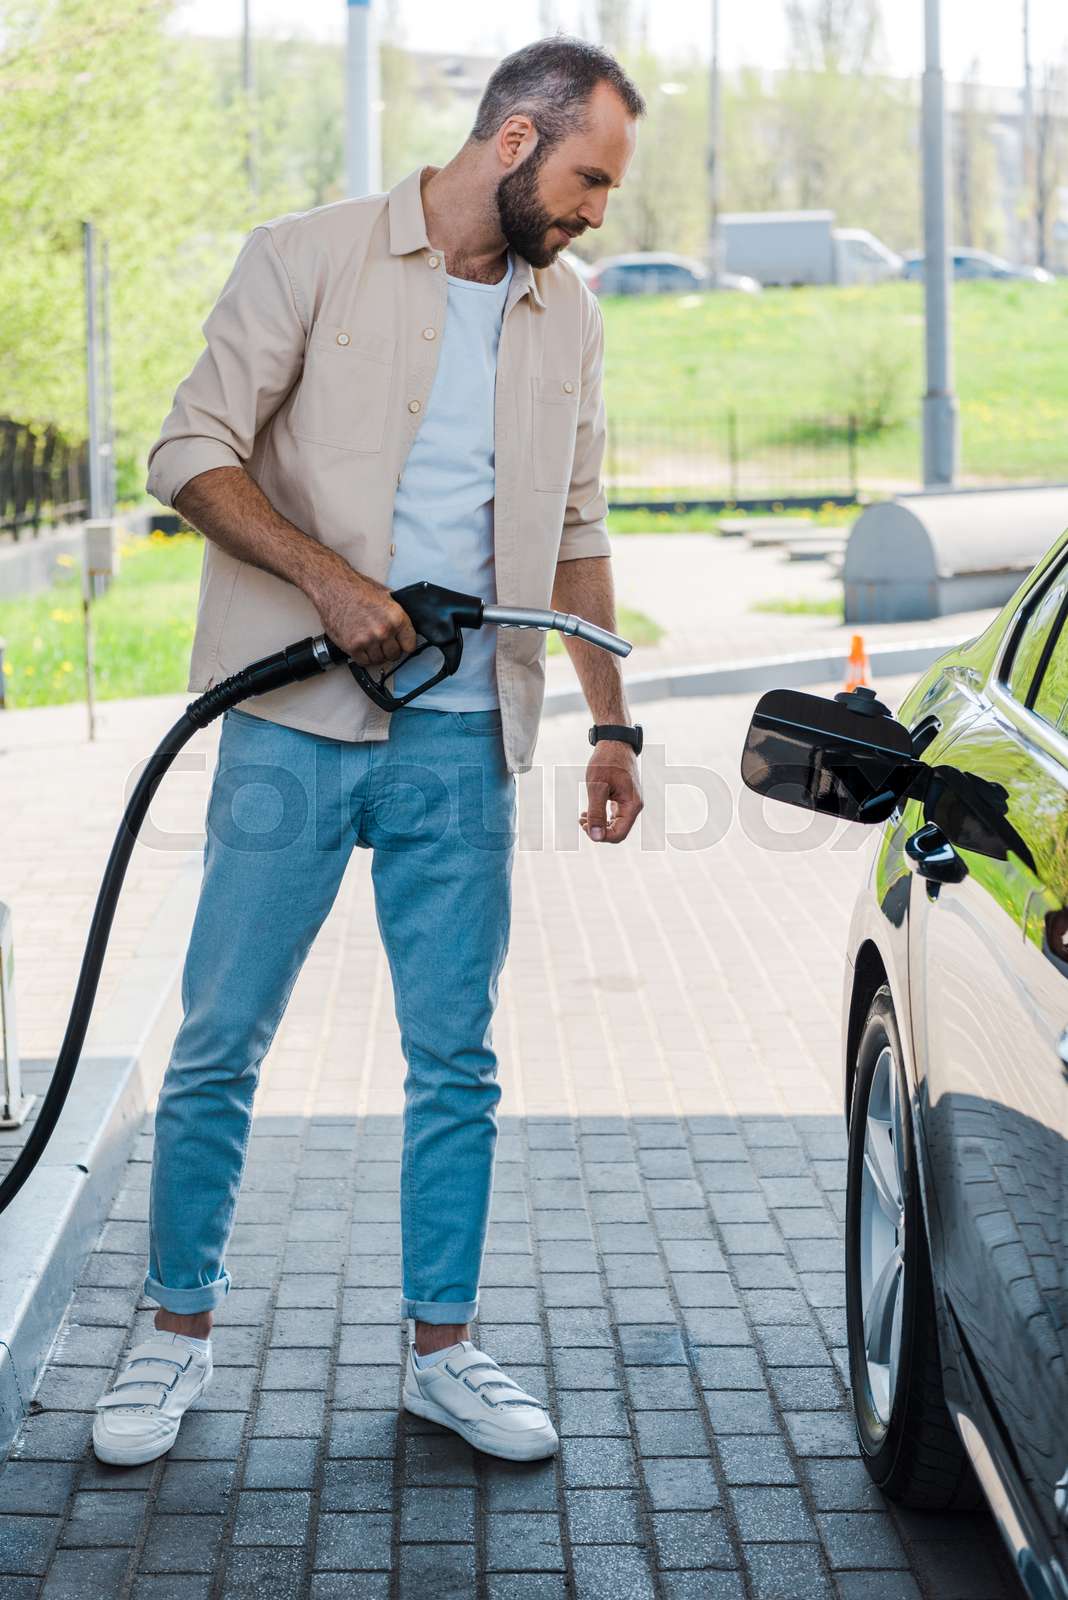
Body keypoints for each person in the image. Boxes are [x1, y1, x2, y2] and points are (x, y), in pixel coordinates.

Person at [92, 35, 646, 1469]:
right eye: (589, 177)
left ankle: (444, 1354)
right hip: (289, 726)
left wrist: (612, 722)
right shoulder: (310, 256)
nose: (598, 211)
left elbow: (579, 532)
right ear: (516, 142)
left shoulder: (568, 316)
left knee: (455, 1058)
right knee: (220, 1043)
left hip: (463, 746)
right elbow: (189, 449)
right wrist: (334, 586)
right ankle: (171, 1336)